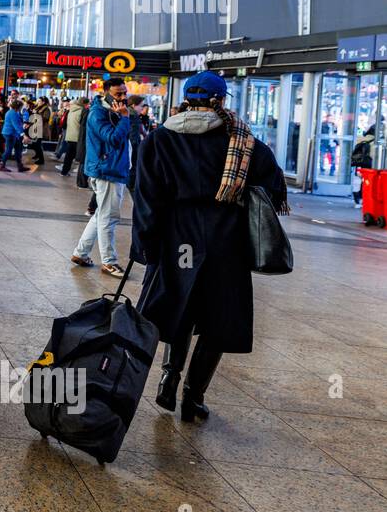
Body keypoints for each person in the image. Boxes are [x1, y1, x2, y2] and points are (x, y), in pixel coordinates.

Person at [131, 71, 288, 422]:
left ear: (187, 98)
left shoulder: (159, 139)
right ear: (220, 101)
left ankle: (169, 381)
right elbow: (274, 186)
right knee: (218, 318)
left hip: (177, 240)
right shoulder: (243, 141)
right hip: (225, 241)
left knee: (180, 310)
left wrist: (145, 245)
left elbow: (146, 197)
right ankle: (194, 397)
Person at [71, 76, 132, 278]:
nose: (123, 97)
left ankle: (81, 253)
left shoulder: (111, 110)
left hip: (112, 168)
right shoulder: (98, 113)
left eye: (125, 92)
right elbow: (113, 139)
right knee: (108, 217)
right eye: (118, 93)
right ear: (107, 92)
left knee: (100, 215)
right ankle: (109, 261)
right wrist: (124, 118)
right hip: (107, 170)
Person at [56, 96, 87, 176]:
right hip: (78, 137)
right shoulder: (82, 111)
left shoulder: (70, 111)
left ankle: (64, 172)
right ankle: (80, 172)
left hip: (70, 136)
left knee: (69, 155)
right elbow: (83, 125)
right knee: (81, 155)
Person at [0, 99, 28, 172]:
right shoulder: (12, 113)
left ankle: (20, 166)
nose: (22, 108)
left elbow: (18, 123)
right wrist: (23, 135)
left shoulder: (13, 112)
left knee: (18, 149)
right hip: (10, 133)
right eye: (21, 106)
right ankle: (1, 165)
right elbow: (16, 125)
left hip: (13, 134)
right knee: (8, 150)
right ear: (18, 107)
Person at [26, 100, 47, 165]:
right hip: (35, 128)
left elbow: (44, 118)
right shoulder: (37, 108)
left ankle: (41, 160)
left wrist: (36, 113)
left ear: (43, 102)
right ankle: (38, 155)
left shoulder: (45, 109)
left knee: (37, 144)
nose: (38, 102)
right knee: (35, 144)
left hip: (40, 128)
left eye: (39, 101)